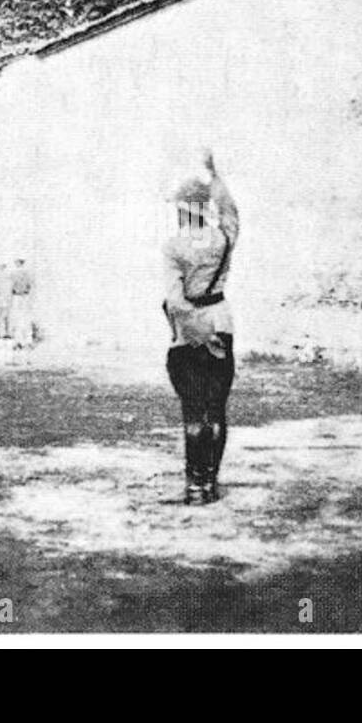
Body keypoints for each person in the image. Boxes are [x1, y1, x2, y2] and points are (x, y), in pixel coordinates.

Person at [162, 151, 239, 505]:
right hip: (221, 323)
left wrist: (193, 329)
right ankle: (211, 482)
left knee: (193, 409)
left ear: (181, 209)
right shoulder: (223, 239)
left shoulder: (174, 246)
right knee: (217, 407)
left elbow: (175, 301)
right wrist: (215, 177)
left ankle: (194, 486)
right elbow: (231, 214)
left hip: (190, 332)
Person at [9, 258, 34, 348]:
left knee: (18, 318)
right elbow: (31, 286)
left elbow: (11, 287)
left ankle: (19, 341)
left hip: (17, 296)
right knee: (25, 318)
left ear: (18, 262)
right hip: (25, 296)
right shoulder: (28, 273)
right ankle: (27, 340)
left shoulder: (14, 273)